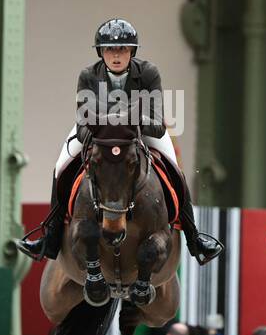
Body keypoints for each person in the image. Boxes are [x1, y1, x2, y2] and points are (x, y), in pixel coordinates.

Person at [14, 18, 222, 265]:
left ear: (131, 52)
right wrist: (101, 131)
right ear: (101, 52)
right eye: (110, 50)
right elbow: (82, 124)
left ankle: (194, 239)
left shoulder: (148, 73)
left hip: (139, 131)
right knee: (60, 167)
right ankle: (49, 238)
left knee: (175, 169)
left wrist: (129, 124)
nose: (116, 55)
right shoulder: (88, 75)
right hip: (99, 133)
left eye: (122, 49)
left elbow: (156, 124)